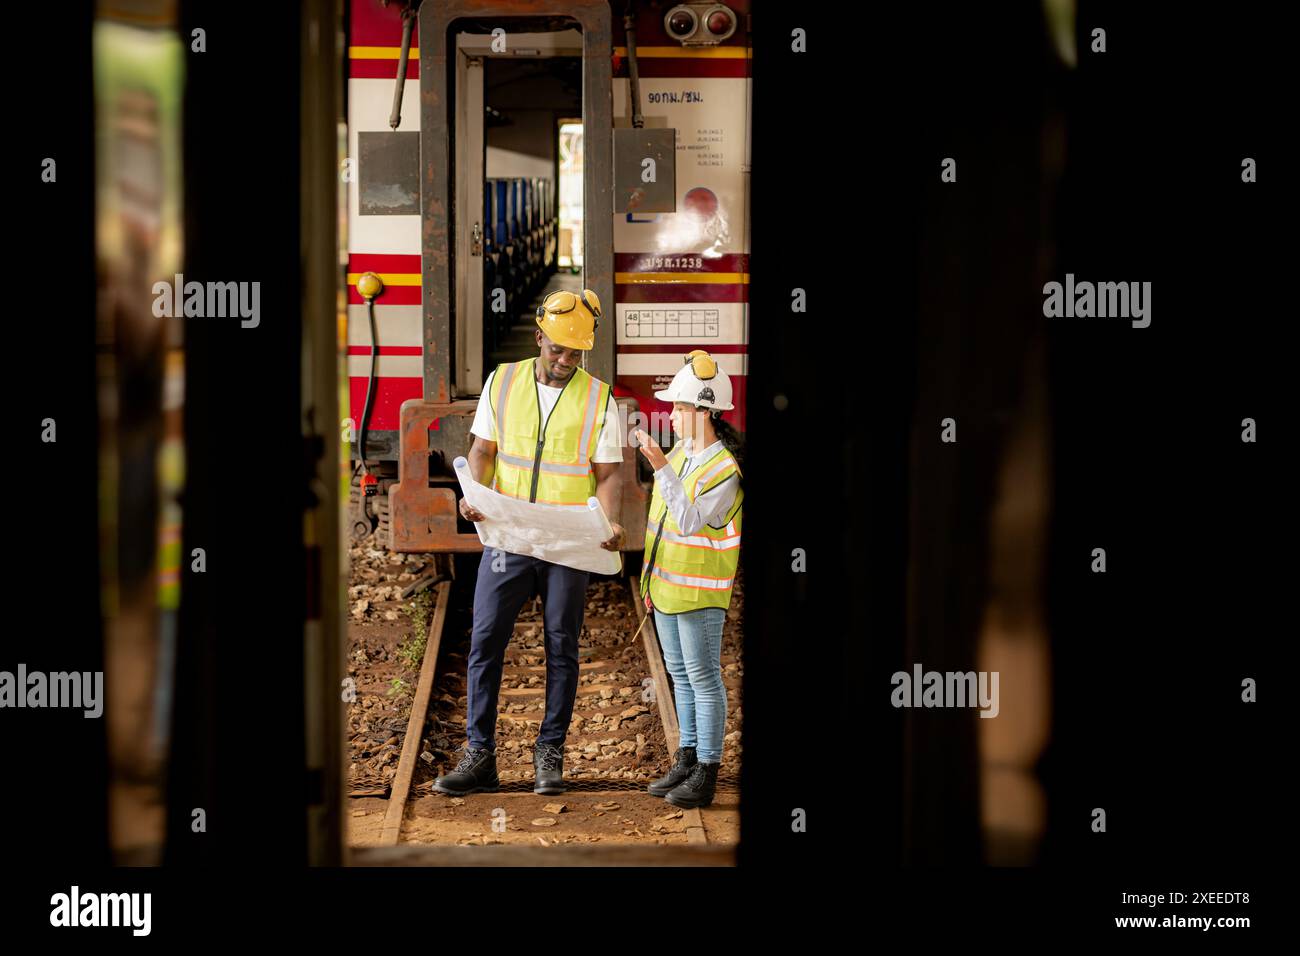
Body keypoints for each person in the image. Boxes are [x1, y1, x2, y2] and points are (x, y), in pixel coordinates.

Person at [433, 289, 625, 797]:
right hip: (509, 535)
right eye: (558, 349)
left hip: (566, 544)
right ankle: (480, 757)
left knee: (561, 646)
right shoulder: (503, 381)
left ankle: (549, 754)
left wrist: (608, 522)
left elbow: (608, 475)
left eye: (575, 353)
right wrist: (472, 495)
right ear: (539, 336)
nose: (565, 361)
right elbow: (481, 451)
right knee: (485, 642)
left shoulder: (600, 398)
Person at [633, 349, 743, 809]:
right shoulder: (683, 453)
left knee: (702, 678)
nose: (672, 415)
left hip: (699, 590)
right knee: (680, 675)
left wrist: (660, 467)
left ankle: (707, 772)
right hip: (667, 585)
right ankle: (688, 757)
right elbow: (660, 521)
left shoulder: (726, 472)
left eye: (679, 407)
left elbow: (689, 520)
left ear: (704, 411)